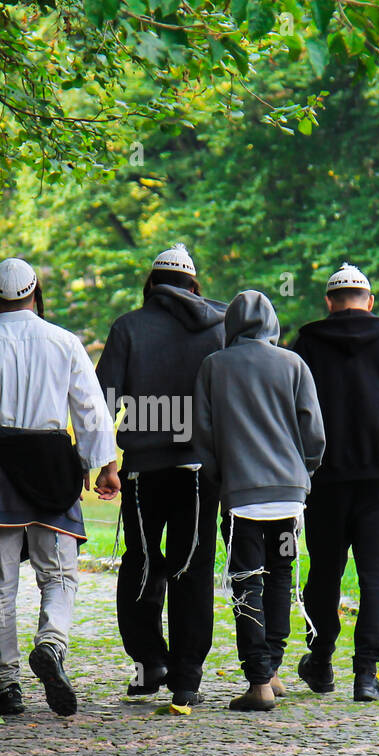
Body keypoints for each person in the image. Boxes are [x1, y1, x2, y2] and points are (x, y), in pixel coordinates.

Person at [0, 258, 120, 717]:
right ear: (36, 293)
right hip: (53, 470)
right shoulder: (65, 343)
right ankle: (51, 644)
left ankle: (8, 684)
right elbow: (90, 409)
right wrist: (105, 464)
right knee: (60, 575)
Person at [95, 244, 226, 707]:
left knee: (142, 563)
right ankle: (188, 676)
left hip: (143, 470)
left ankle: (150, 660)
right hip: (200, 471)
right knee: (193, 567)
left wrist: (103, 462)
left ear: (151, 285)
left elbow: (101, 401)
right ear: (194, 286)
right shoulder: (221, 329)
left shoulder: (128, 328)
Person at [291, 263, 379, 702]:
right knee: (377, 578)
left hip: (325, 476)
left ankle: (321, 658)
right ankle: (367, 674)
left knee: (324, 574)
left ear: (329, 303)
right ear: (369, 302)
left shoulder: (307, 344)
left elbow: (294, 407)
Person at [193, 290, 325, 711]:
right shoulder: (293, 364)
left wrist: (224, 478)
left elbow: (203, 434)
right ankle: (273, 669)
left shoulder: (214, 367)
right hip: (289, 499)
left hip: (241, 499)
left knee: (247, 580)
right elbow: (314, 434)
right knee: (282, 578)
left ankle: (258, 681)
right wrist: (301, 474)